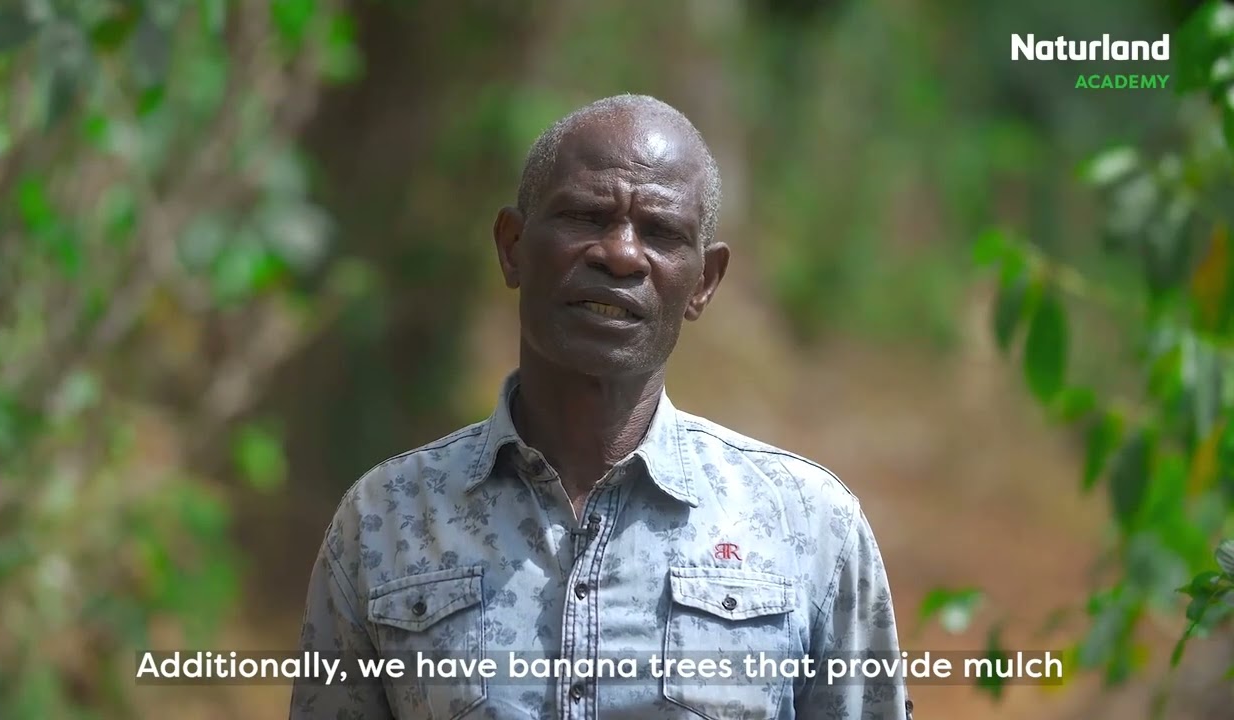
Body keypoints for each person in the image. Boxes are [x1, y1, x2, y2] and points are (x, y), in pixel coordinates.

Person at [290, 94, 912, 719]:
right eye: (586, 217)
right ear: (512, 246)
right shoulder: (386, 520)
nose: (620, 253)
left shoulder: (806, 524)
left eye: (662, 232)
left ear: (704, 282)